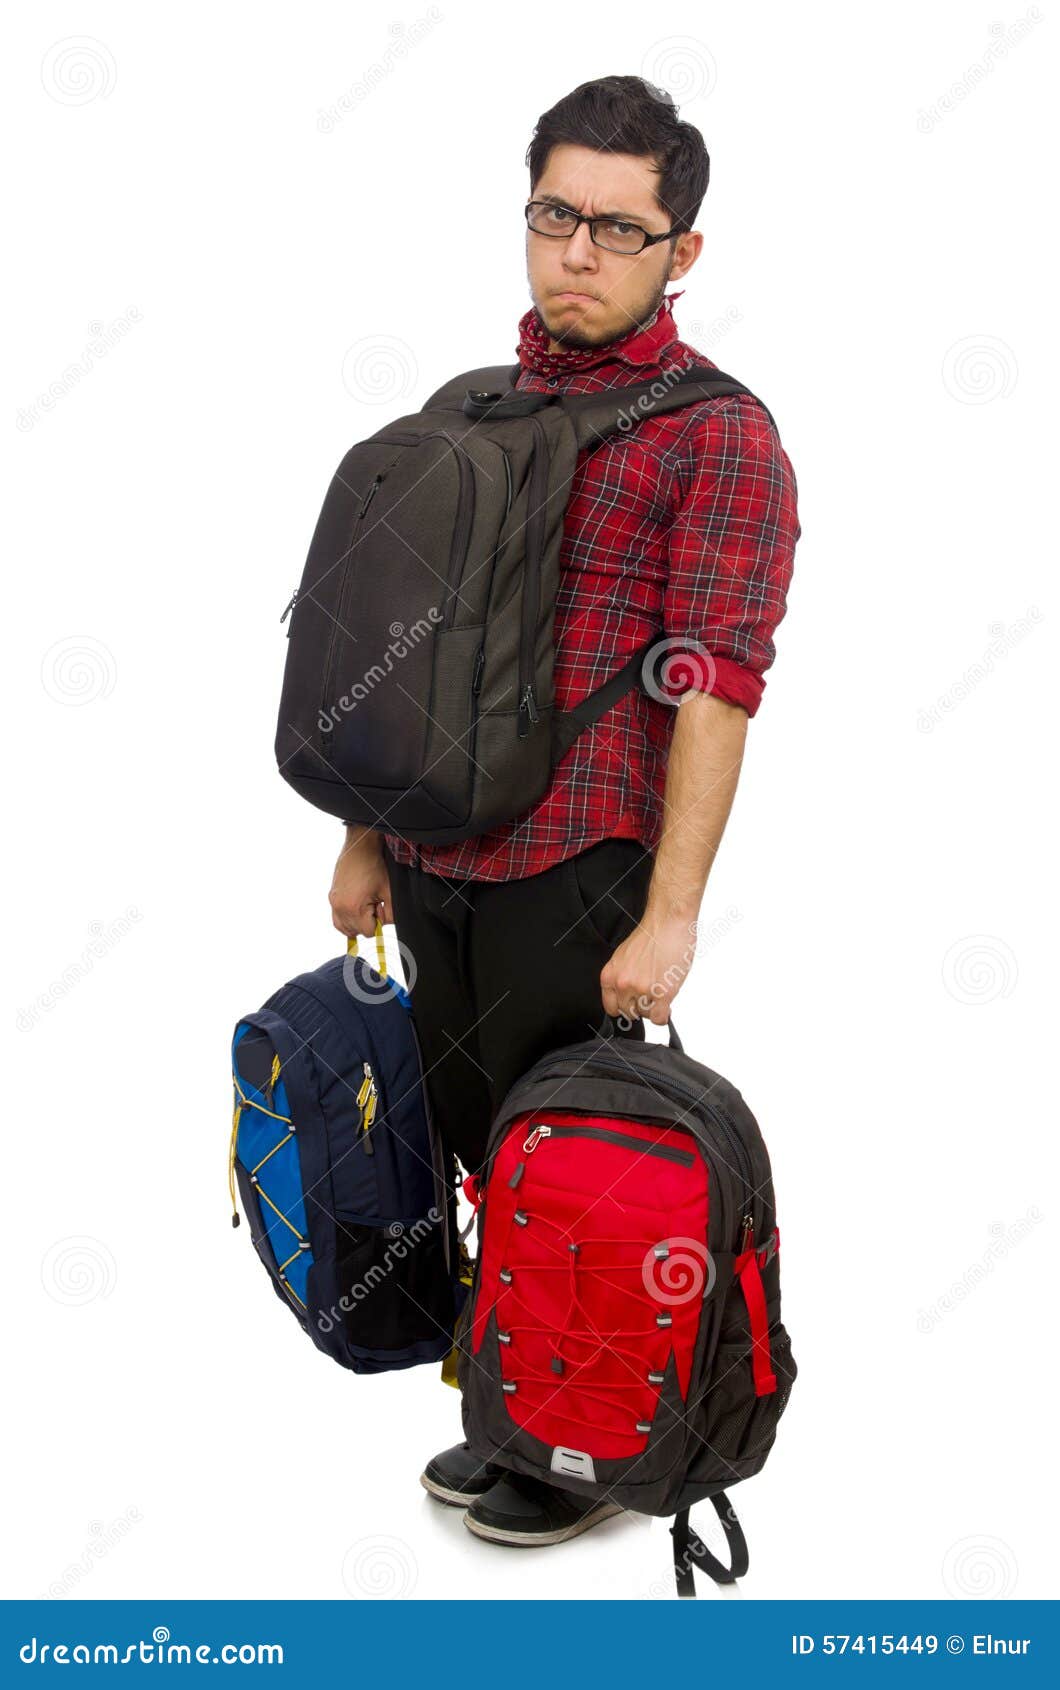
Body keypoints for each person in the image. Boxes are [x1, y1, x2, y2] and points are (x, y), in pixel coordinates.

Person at [328, 73, 801, 1548]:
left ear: (684, 250)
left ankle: (590, 1435)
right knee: (481, 1145)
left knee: (577, 1164)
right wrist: (357, 836)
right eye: (556, 215)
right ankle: (514, 1399)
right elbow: (379, 644)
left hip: (582, 860)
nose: (577, 252)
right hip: (432, 853)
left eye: (618, 226)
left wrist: (672, 912)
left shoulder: (718, 438)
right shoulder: (471, 409)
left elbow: (716, 685)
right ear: (526, 215)